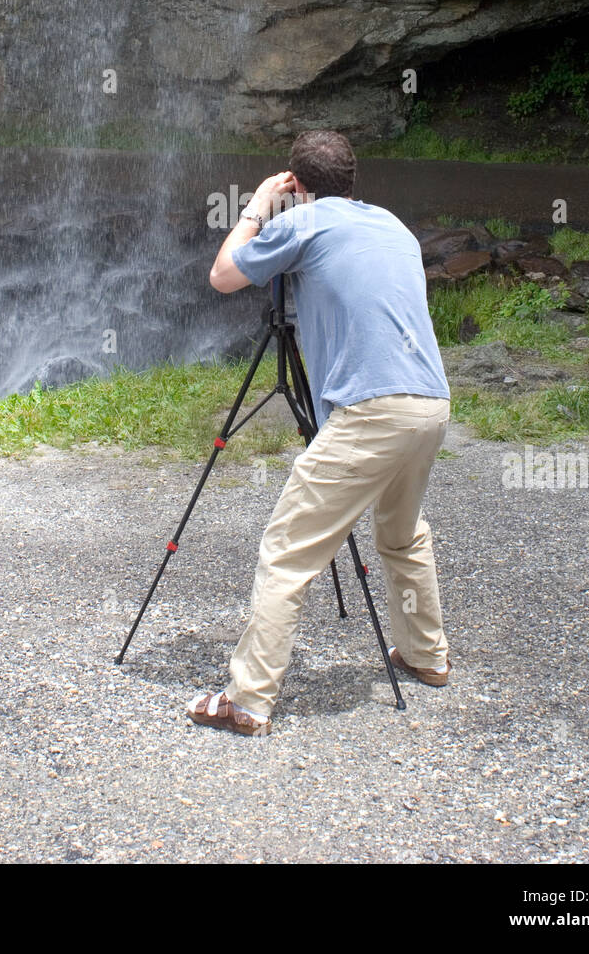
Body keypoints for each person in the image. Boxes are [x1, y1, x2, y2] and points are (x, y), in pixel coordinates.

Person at [188, 130, 451, 737]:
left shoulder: (303, 225)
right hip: (429, 403)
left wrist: (257, 207)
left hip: (369, 411)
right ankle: (425, 656)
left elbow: (224, 275)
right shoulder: (395, 228)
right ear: (352, 180)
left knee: (287, 553)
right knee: (403, 533)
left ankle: (247, 701)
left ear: (297, 185)